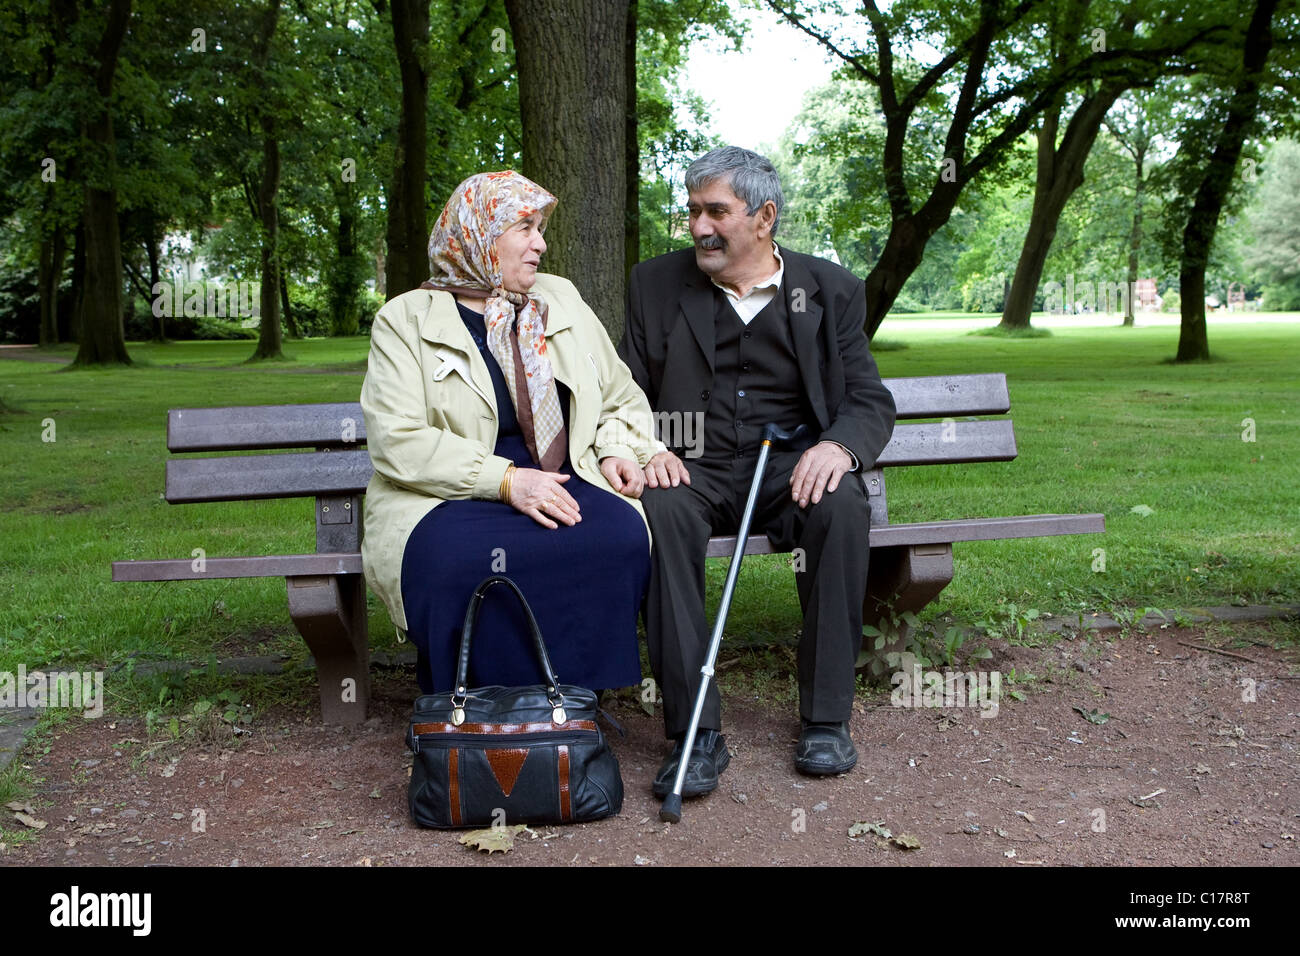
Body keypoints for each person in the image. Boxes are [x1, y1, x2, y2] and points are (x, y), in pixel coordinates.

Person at [619, 146, 897, 800]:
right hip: (691, 464)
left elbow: (867, 398)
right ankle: (695, 734)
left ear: (764, 216)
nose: (697, 227)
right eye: (692, 212)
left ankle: (826, 721)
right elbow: (624, 388)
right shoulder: (653, 286)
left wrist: (840, 449)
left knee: (840, 506)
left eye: (716, 211)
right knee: (659, 517)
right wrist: (642, 446)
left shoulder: (830, 290)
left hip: (791, 466)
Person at [361, 170, 663, 696]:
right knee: (456, 558)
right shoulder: (404, 319)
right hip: (450, 492)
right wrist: (507, 481)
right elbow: (397, 439)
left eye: (540, 228)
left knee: (617, 534)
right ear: (479, 234)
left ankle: (571, 705)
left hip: (563, 474)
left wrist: (616, 447)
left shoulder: (560, 298)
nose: (540, 244)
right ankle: (478, 711)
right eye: (524, 227)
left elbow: (619, 393)